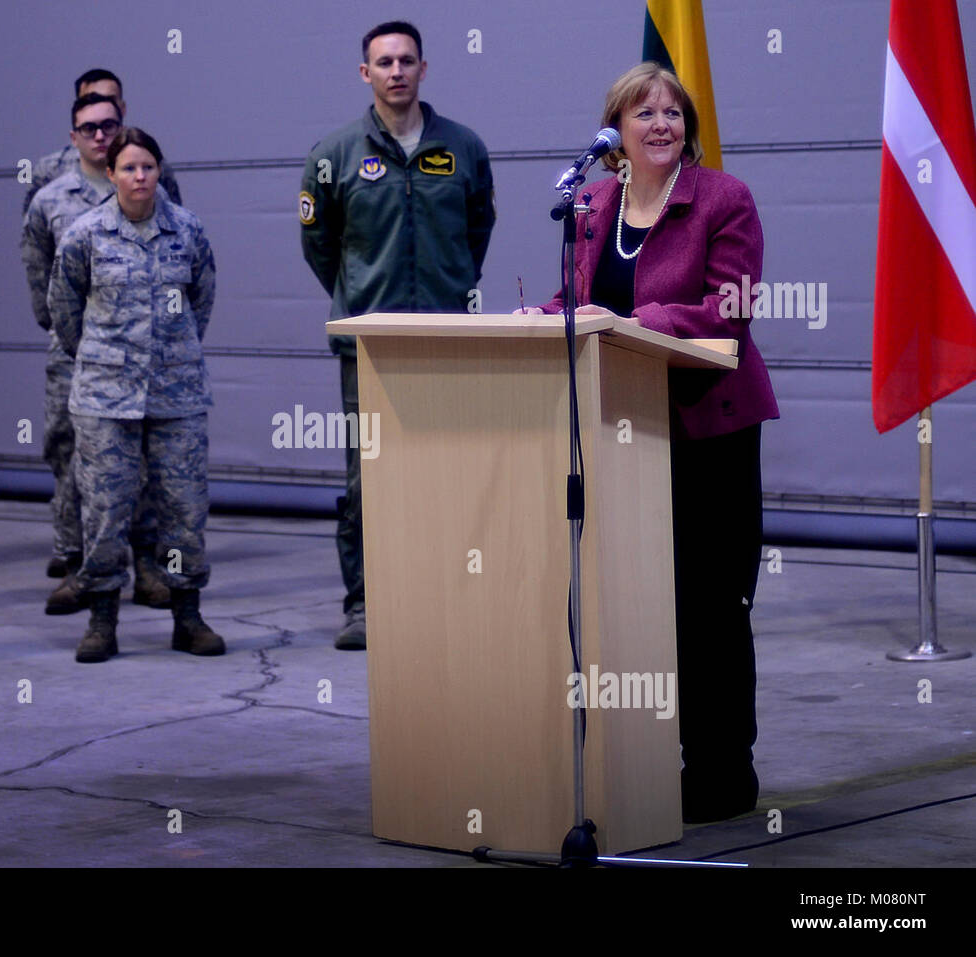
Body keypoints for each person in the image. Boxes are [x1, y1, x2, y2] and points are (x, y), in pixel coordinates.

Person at [520, 62, 779, 822]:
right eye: (644, 113)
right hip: (620, 427)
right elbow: (578, 301)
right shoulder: (594, 203)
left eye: (673, 112)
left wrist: (632, 323)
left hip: (708, 430)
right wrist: (542, 317)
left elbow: (728, 310)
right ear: (616, 134)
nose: (662, 123)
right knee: (634, 604)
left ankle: (723, 772)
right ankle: (636, 765)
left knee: (710, 605)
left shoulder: (723, 199)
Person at [300, 20, 496, 649]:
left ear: (423, 68)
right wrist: (359, 297)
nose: (396, 71)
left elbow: (478, 230)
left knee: (447, 471)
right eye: (383, 62)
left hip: (447, 342)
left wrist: (449, 288)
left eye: (406, 60)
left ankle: (442, 592)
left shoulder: (464, 147)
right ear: (366, 73)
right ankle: (363, 604)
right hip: (369, 347)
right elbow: (319, 245)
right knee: (369, 477)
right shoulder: (334, 154)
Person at [47, 128, 222, 662]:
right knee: (103, 510)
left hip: (177, 395)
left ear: (159, 171)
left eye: (147, 167)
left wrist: (170, 356)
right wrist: (105, 360)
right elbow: (64, 311)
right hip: (105, 399)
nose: (139, 177)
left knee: (184, 509)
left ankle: (187, 616)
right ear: (112, 174)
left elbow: (202, 300)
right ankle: (102, 620)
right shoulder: (85, 234)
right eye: (128, 168)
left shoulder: (188, 231)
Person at [23, 68, 174, 608]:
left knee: (143, 460)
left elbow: (185, 263)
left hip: (144, 351)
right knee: (70, 453)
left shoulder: (147, 170)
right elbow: (39, 268)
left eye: (110, 121)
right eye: (89, 124)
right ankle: (78, 561)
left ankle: (148, 564)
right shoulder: (48, 187)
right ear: (75, 131)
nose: (100, 134)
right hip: (76, 351)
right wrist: (69, 334)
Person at [22, 69, 183, 216]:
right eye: (91, 99)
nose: (101, 105)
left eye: (109, 99)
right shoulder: (50, 169)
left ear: (122, 107)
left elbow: (175, 222)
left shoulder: (149, 164)